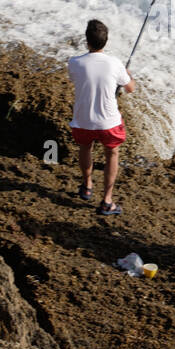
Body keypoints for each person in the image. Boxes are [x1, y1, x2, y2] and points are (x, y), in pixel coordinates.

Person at [67, 19, 134, 215]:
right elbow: (130, 88)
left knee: (85, 148)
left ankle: (87, 185)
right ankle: (107, 200)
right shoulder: (115, 63)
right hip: (108, 123)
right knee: (112, 154)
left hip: (83, 121)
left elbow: (77, 79)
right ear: (106, 41)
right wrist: (128, 75)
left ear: (86, 41)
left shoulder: (74, 62)